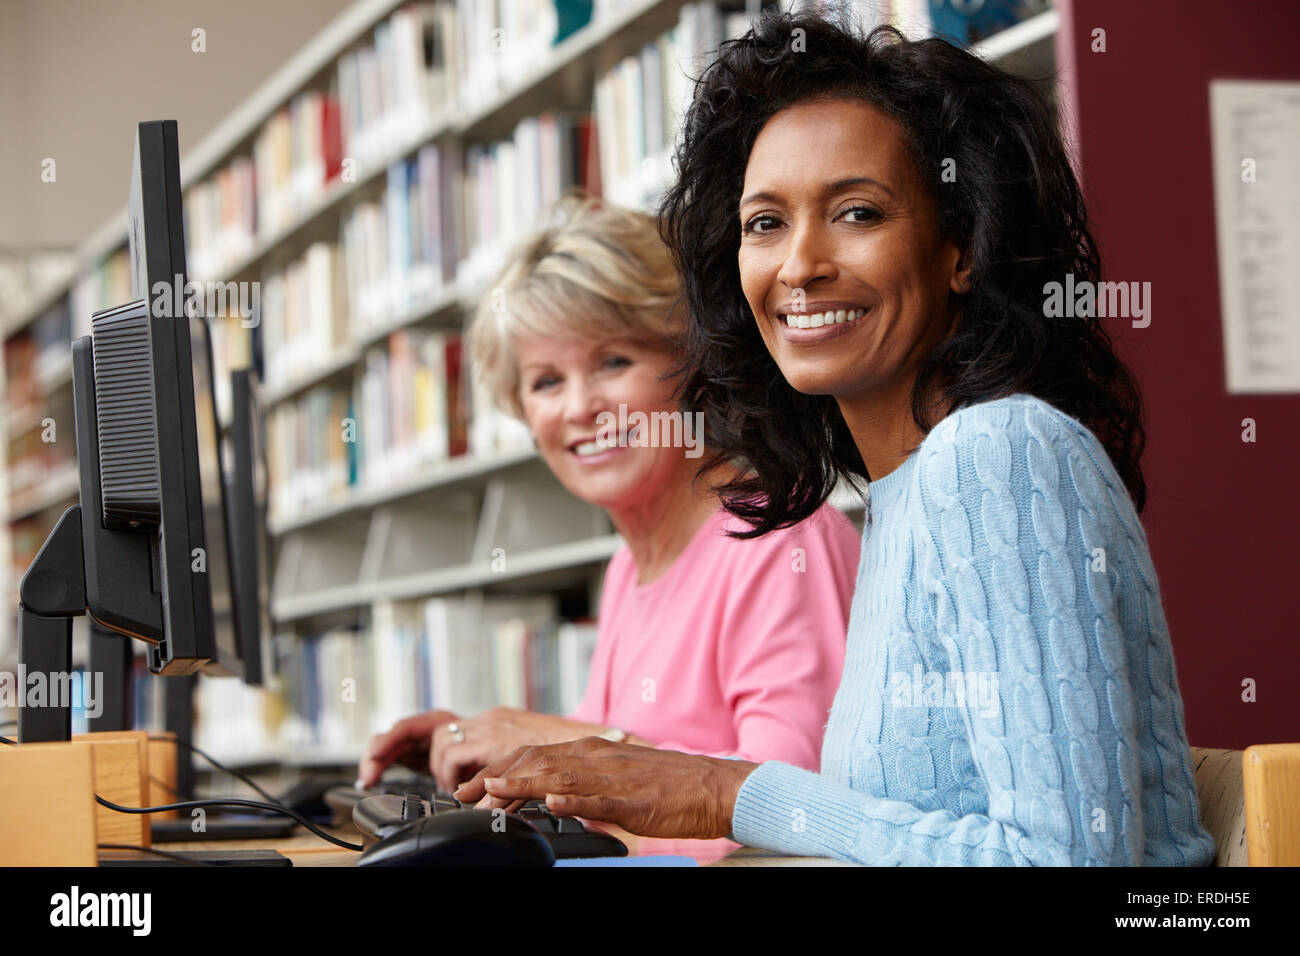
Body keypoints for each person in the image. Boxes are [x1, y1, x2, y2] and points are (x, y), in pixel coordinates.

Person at [455, 11, 1217, 866]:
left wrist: (726, 792)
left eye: (856, 212)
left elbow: (1073, 863)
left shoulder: (999, 454)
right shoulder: (904, 493)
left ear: (960, 248)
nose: (799, 266)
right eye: (765, 224)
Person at [356, 190, 861, 859]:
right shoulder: (630, 565)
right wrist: (492, 759)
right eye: (544, 382)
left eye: (613, 362)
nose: (581, 407)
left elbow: (793, 824)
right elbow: (621, 809)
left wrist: (549, 742)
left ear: (692, 365)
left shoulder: (779, 537)